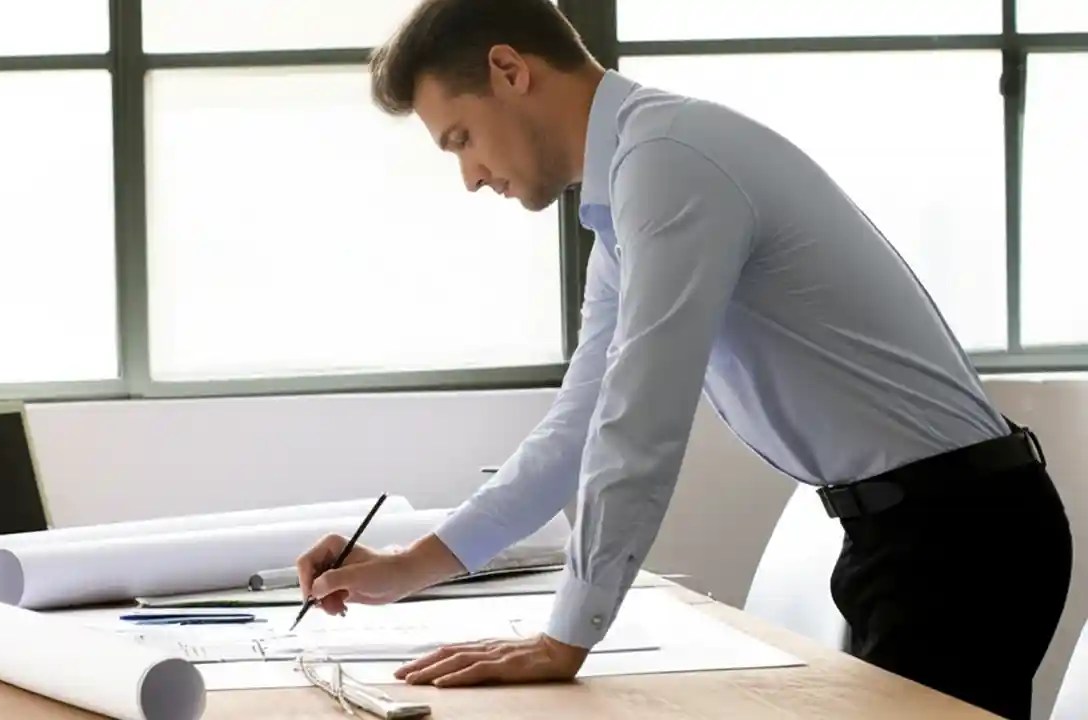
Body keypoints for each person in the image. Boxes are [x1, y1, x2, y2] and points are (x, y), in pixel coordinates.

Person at [294, 1, 1074, 717]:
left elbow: (642, 425)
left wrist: (567, 638)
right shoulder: (623, 211)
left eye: (460, 138)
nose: (467, 176)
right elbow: (579, 430)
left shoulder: (669, 164)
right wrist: (404, 568)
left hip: (962, 541)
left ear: (509, 70)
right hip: (909, 536)